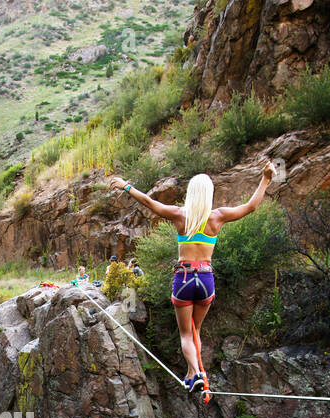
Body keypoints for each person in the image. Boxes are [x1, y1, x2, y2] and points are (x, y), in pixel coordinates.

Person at [108, 162, 275, 403]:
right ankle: (192, 373)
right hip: (206, 279)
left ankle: (195, 372)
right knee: (196, 331)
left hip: (184, 278)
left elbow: (149, 203)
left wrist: (127, 187)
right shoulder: (218, 217)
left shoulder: (180, 215)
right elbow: (251, 207)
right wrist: (266, 179)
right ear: (209, 194)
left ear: (191, 194)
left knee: (186, 334)